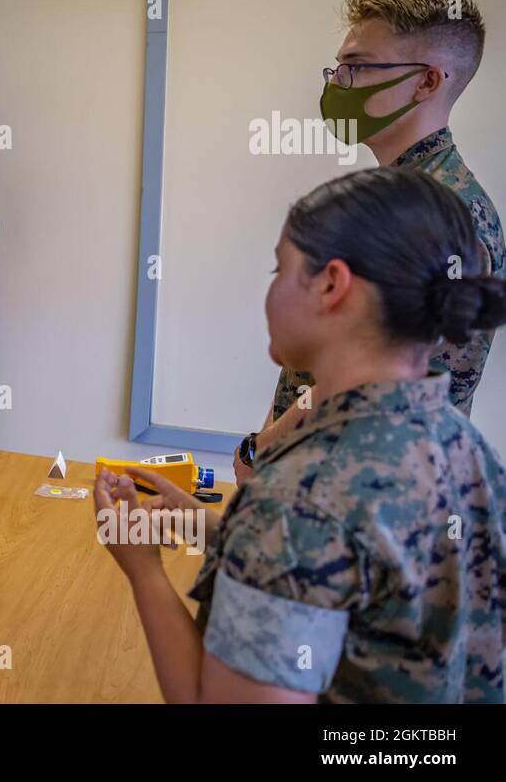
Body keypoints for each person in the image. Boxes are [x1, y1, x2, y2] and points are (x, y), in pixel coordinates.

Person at [98, 167, 506, 702]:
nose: (269, 291)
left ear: (332, 285)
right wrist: (213, 530)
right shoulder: (470, 450)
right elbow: (352, 586)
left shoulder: (300, 495)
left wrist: (143, 568)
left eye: (279, 269)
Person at [238, 0, 504, 482]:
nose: (339, 84)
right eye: (338, 68)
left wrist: (262, 452)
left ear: (426, 82)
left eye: (357, 67)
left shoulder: (444, 215)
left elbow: (383, 380)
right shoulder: (395, 197)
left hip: (360, 496)